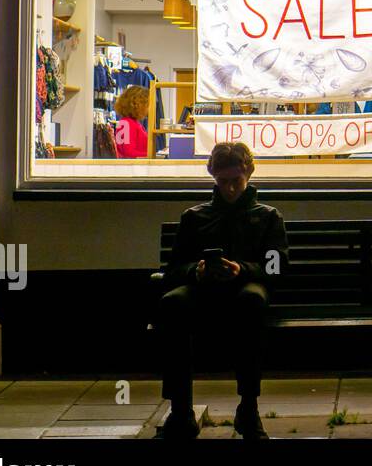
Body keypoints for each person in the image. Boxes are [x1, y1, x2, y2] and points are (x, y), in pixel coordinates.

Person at [157, 142, 288, 439]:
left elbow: (276, 267)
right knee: (171, 303)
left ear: (248, 175)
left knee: (251, 300)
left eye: (235, 182)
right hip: (208, 290)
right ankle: (181, 410)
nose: (229, 189)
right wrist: (197, 271)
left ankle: (248, 406)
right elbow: (173, 269)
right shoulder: (194, 218)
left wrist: (242, 270)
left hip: (242, 291)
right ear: (214, 178)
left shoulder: (268, 217)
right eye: (223, 182)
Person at [114, 85, 150, 158]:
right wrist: (151, 156)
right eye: (147, 104)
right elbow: (128, 153)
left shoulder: (130, 122)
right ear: (139, 104)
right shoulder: (127, 124)